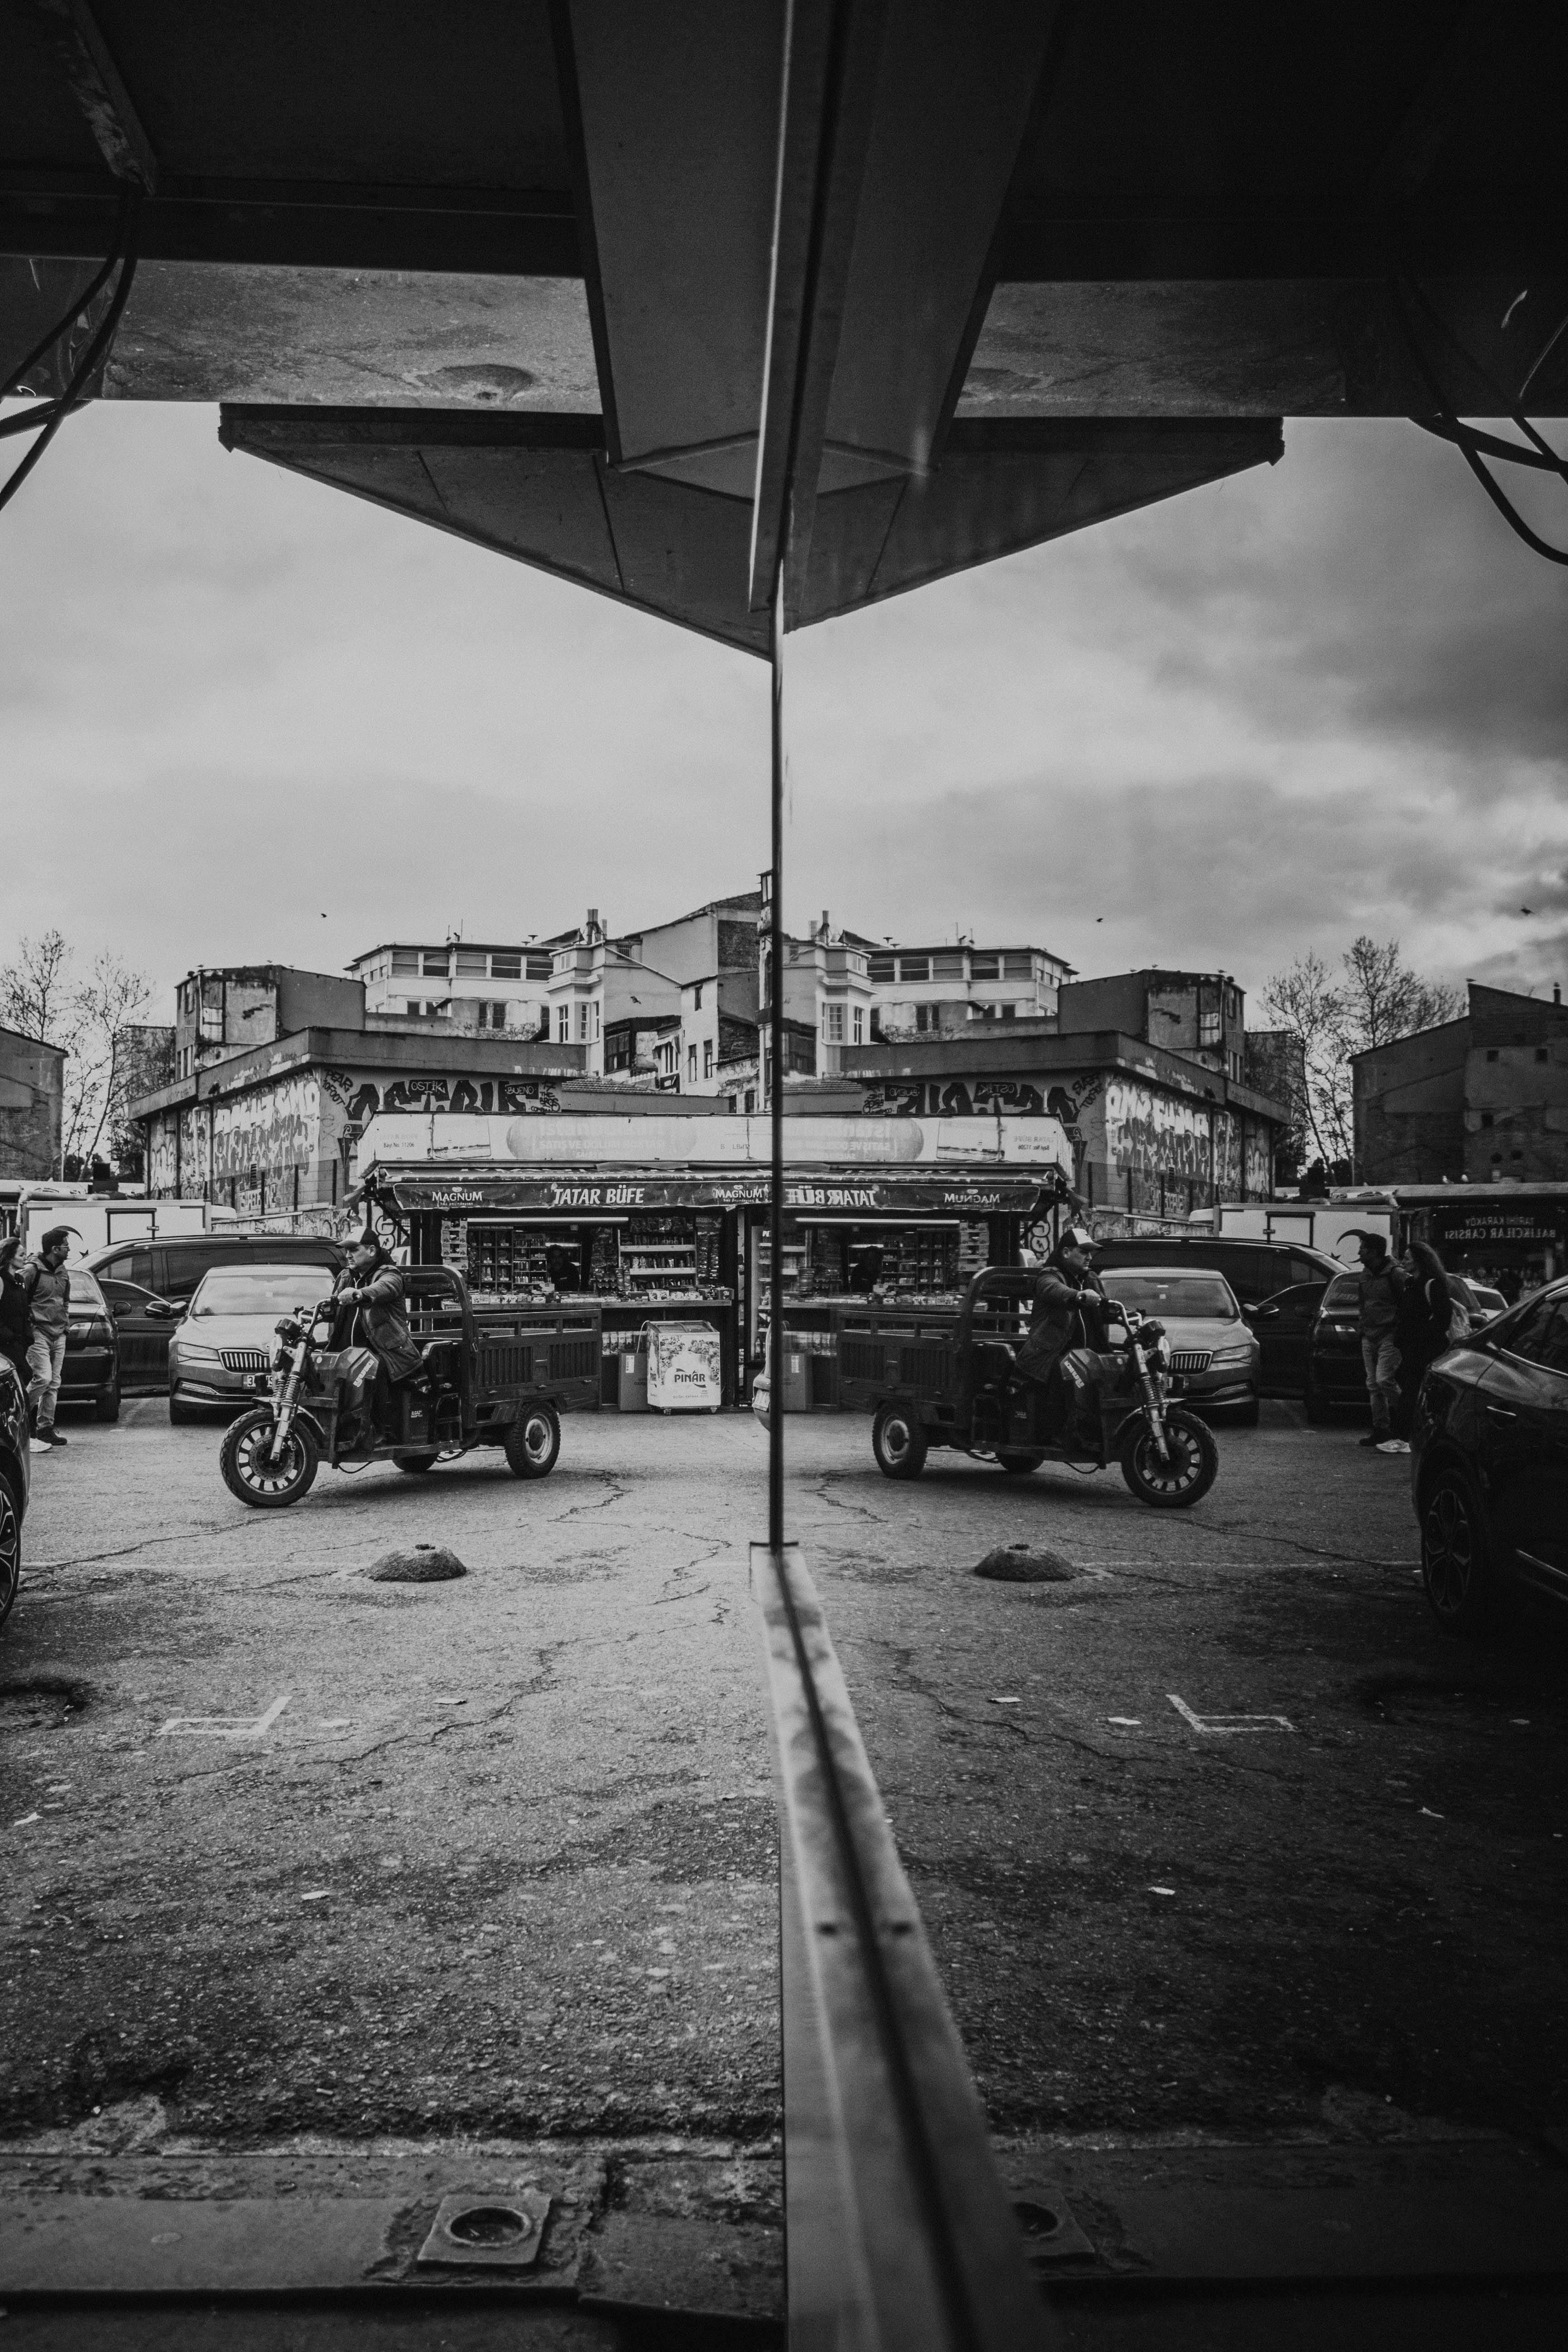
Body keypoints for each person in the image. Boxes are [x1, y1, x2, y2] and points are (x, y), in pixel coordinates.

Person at [1013, 1228, 1110, 1439]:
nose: (1090, 1257)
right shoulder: (1050, 1275)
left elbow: (1104, 1307)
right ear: (1066, 1253)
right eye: (1084, 1252)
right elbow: (1052, 1290)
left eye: (1090, 1253)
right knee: (1069, 1373)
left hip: (1085, 1355)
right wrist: (1079, 1296)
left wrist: (1130, 1315)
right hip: (1047, 1356)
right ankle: (1063, 1433)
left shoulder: (1090, 1279)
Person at [332, 1233, 427, 1433]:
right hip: (347, 1353)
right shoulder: (345, 1277)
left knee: (370, 1368)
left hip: (386, 1352)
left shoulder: (389, 1274)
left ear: (372, 1251)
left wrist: (360, 1294)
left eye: (354, 1250)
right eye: (347, 1250)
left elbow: (384, 1288)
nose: (348, 1255)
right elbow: (333, 1305)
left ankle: (378, 1430)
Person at [1392, 1241, 1467, 1436]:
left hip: (1426, 1349)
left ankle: (1403, 1435)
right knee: (1406, 1383)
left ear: (1420, 1261)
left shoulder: (1433, 1285)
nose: (1403, 1262)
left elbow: (1443, 1319)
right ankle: (1418, 1429)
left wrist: (1420, 1337)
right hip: (1411, 1348)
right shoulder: (1411, 1285)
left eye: (1408, 1258)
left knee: (1411, 1390)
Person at [20, 1226, 74, 1453]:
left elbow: (65, 1299)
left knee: (54, 1383)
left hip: (59, 1332)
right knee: (42, 1378)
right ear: (55, 1249)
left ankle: (45, 1427)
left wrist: (66, 1323)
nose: (69, 1249)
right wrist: (29, 1326)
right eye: (66, 1245)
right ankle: (18, 1416)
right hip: (39, 1331)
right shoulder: (32, 1271)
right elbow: (17, 1299)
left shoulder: (63, 1271)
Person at [1352, 1232, 1406, 1453]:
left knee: (1385, 1380)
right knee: (1373, 1385)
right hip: (1369, 1334)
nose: (1359, 1252)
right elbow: (1364, 1303)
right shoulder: (1366, 1274)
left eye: (1363, 1249)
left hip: (1389, 1334)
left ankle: (1407, 1421)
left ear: (1374, 1252)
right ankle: (1381, 1429)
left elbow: (1407, 1305)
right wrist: (1363, 1326)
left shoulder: (1396, 1274)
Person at [0, 1235, 33, 1392]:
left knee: (21, 1380)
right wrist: (9, 1336)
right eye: (21, 1255)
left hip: (21, 1341)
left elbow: (24, 1309)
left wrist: (27, 1335)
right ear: (9, 1257)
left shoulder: (20, 1280)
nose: (26, 1258)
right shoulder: (1, 1280)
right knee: (24, 1375)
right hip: (6, 1343)